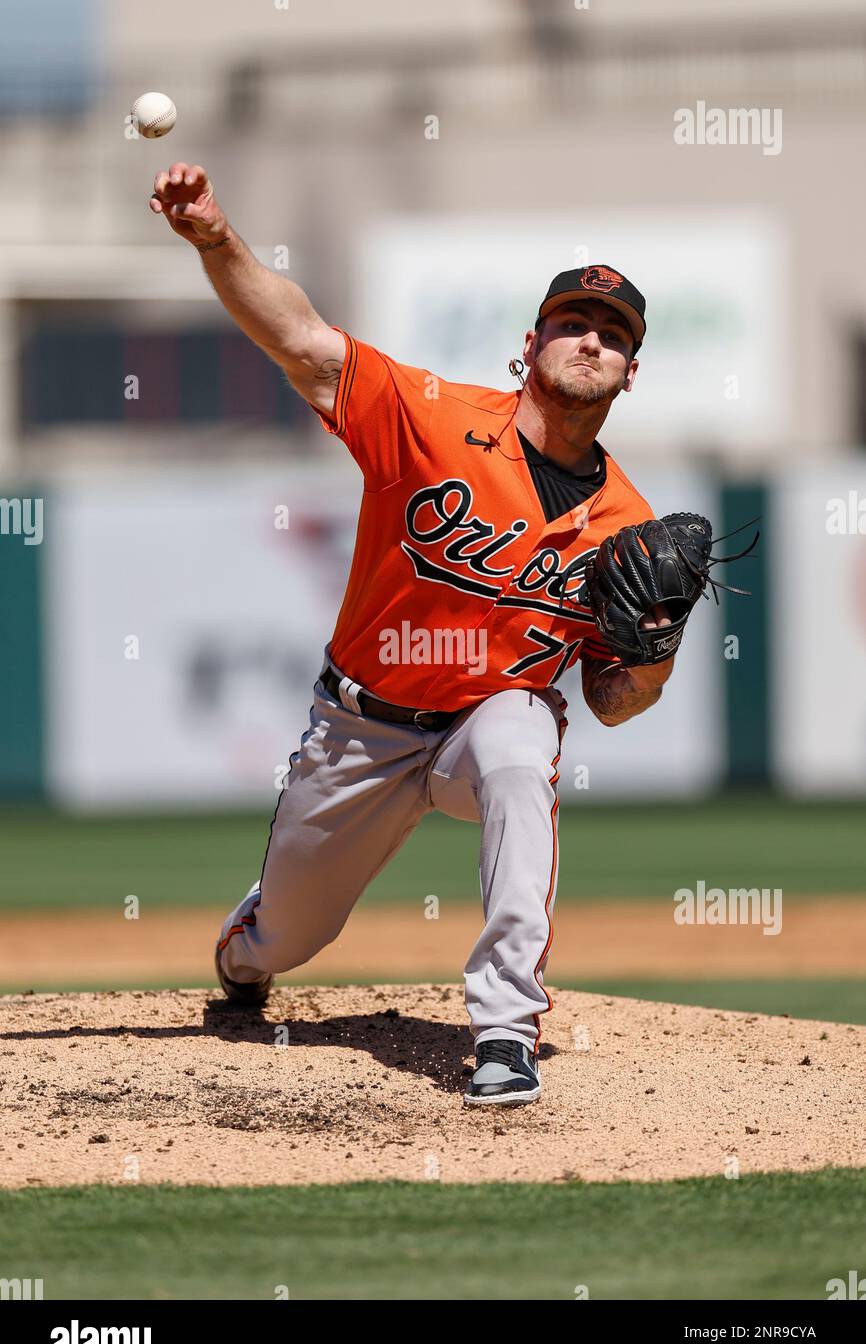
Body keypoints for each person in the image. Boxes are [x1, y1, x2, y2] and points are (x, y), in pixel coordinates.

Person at [150, 164, 673, 1107]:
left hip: (483, 724)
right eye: (573, 321)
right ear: (532, 343)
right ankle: (251, 945)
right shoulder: (429, 419)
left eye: (613, 334)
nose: (590, 339)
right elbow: (302, 342)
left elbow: (612, 700)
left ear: (630, 372)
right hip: (360, 729)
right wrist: (218, 240)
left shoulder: (625, 521)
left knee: (522, 742)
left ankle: (507, 1026)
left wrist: (657, 648)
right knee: (287, 940)